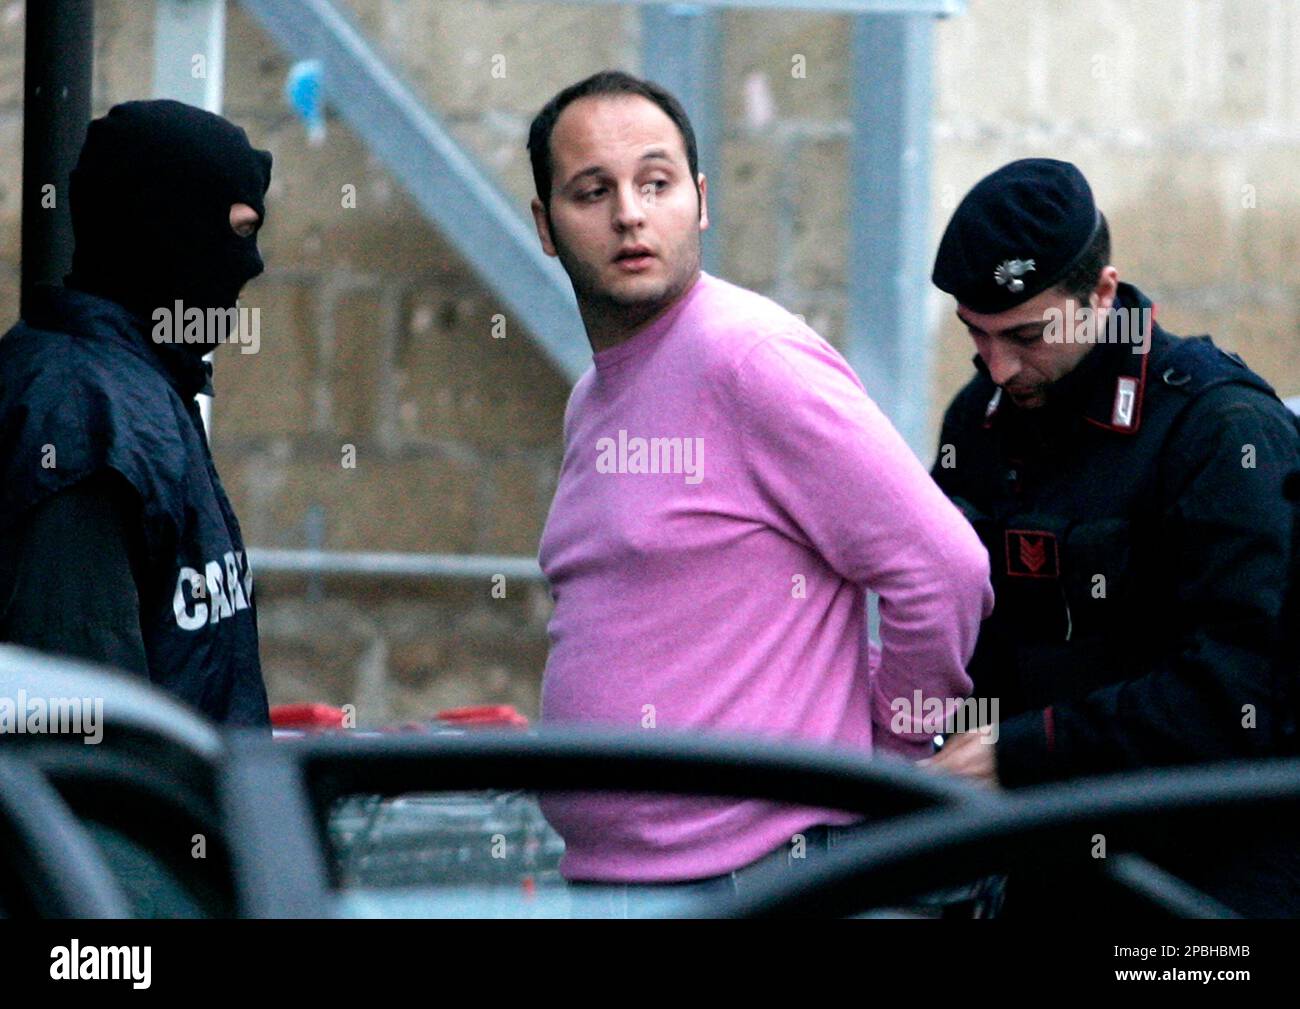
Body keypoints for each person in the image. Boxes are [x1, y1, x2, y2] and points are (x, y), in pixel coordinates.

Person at [526, 69, 994, 913]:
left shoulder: (750, 358)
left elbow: (944, 566)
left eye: (656, 183)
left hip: (757, 878)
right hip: (620, 880)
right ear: (547, 227)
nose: (630, 212)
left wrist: (881, 758)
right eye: (592, 191)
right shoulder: (593, 396)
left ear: (700, 202)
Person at [925, 157, 1300, 916]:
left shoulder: (1224, 433)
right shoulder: (982, 417)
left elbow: (1242, 693)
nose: (997, 366)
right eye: (976, 336)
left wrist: (1023, 751)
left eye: (1025, 335)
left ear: (1101, 294)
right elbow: (964, 625)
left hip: (1202, 887)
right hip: (1035, 861)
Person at [0, 100, 273, 727]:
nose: (251, 266)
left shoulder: (145, 388)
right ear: (159, 227)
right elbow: (83, 731)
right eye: (236, 231)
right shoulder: (83, 417)